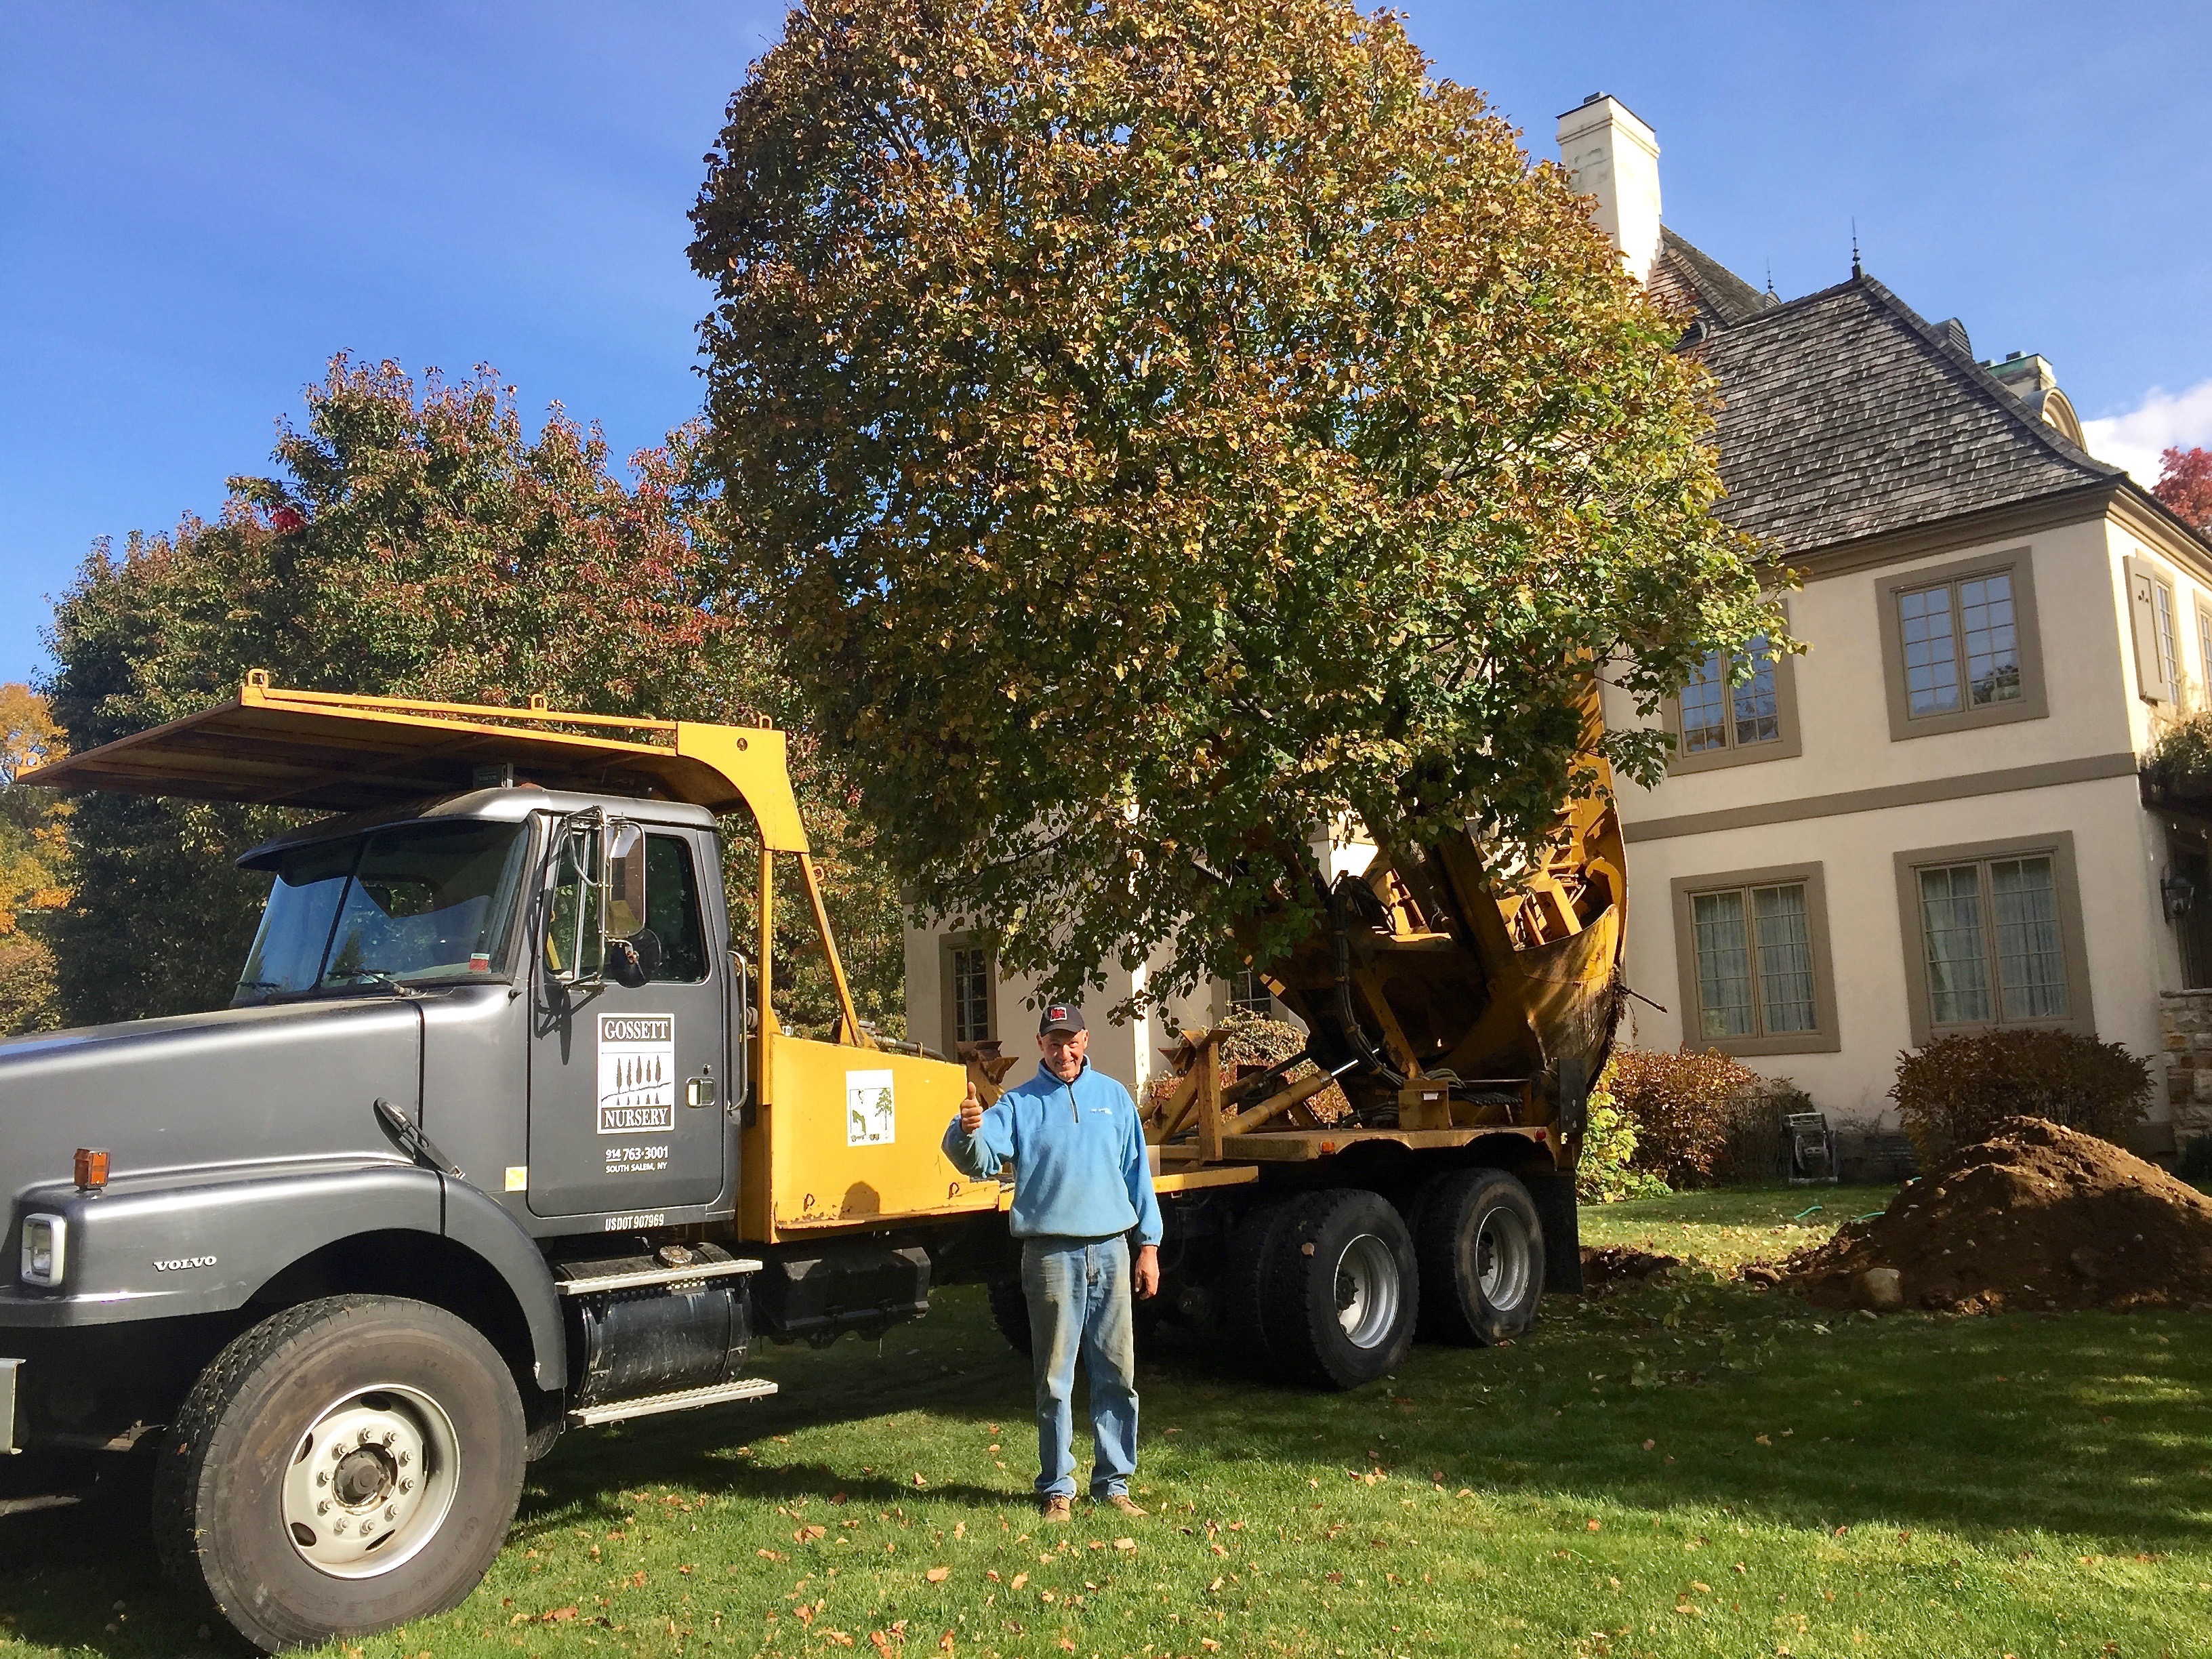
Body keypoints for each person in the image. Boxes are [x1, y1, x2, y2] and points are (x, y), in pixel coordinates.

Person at [943, 1002, 1162, 1523]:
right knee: (1054, 1378)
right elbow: (974, 1157)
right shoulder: (1018, 1105)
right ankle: (1057, 1488)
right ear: (1040, 1045)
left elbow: (1138, 1178)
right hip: (1050, 1255)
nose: (1063, 1051)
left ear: (1085, 1041)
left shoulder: (1114, 1099)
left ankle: (1113, 1483)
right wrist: (966, 1128)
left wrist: (1148, 1245)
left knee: (1116, 1374)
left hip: (1110, 1247)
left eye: (1071, 1040)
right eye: (1053, 1041)